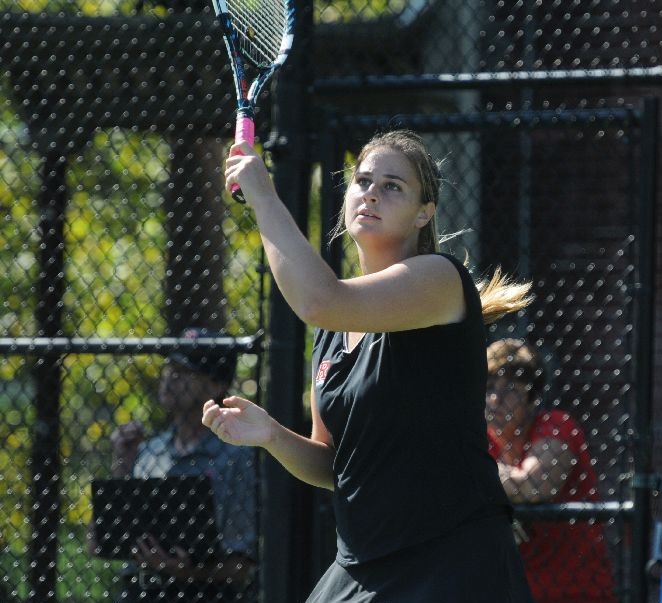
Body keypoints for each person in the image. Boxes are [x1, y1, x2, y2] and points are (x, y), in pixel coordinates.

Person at [202, 129, 537, 602]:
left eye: (393, 185)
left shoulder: (440, 280)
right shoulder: (333, 330)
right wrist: (272, 435)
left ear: (425, 213)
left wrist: (263, 197)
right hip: (361, 565)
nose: (372, 193)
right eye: (362, 181)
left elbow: (319, 299)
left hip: (451, 562)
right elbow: (333, 464)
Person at [103, 326, 258, 602]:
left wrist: (187, 572)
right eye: (169, 367)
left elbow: (242, 566)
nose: (170, 377)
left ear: (216, 385)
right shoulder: (149, 450)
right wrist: (122, 466)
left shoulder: (236, 456)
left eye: (185, 371)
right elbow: (100, 541)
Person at [485, 338, 617, 603]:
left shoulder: (557, 426)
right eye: (488, 388)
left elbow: (533, 485)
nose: (496, 399)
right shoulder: (481, 441)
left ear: (532, 397)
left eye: (510, 389)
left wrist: (481, 481)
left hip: (575, 592)